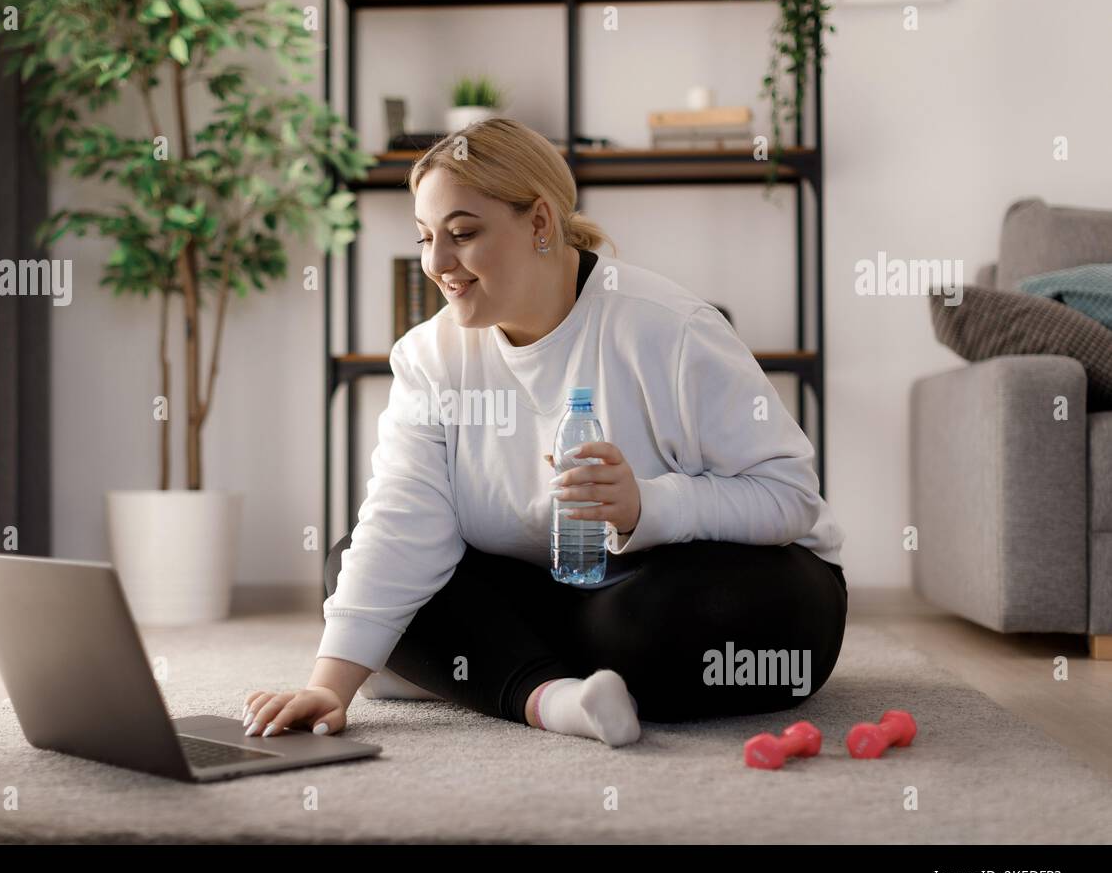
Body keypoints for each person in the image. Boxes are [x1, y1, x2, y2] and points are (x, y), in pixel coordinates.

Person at [242, 118, 847, 747]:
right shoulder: (429, 358)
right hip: (558, 597)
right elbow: (401, 521)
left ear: (539, 223)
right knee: (350, 561)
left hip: (710, 585)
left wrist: (648, 504)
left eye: (462, 234)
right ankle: (555, 699)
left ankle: (481, 666)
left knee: (669, 620)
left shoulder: (667, 328)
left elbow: (790, 496)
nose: (437, 264)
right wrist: (329, 686)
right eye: (425, 238)